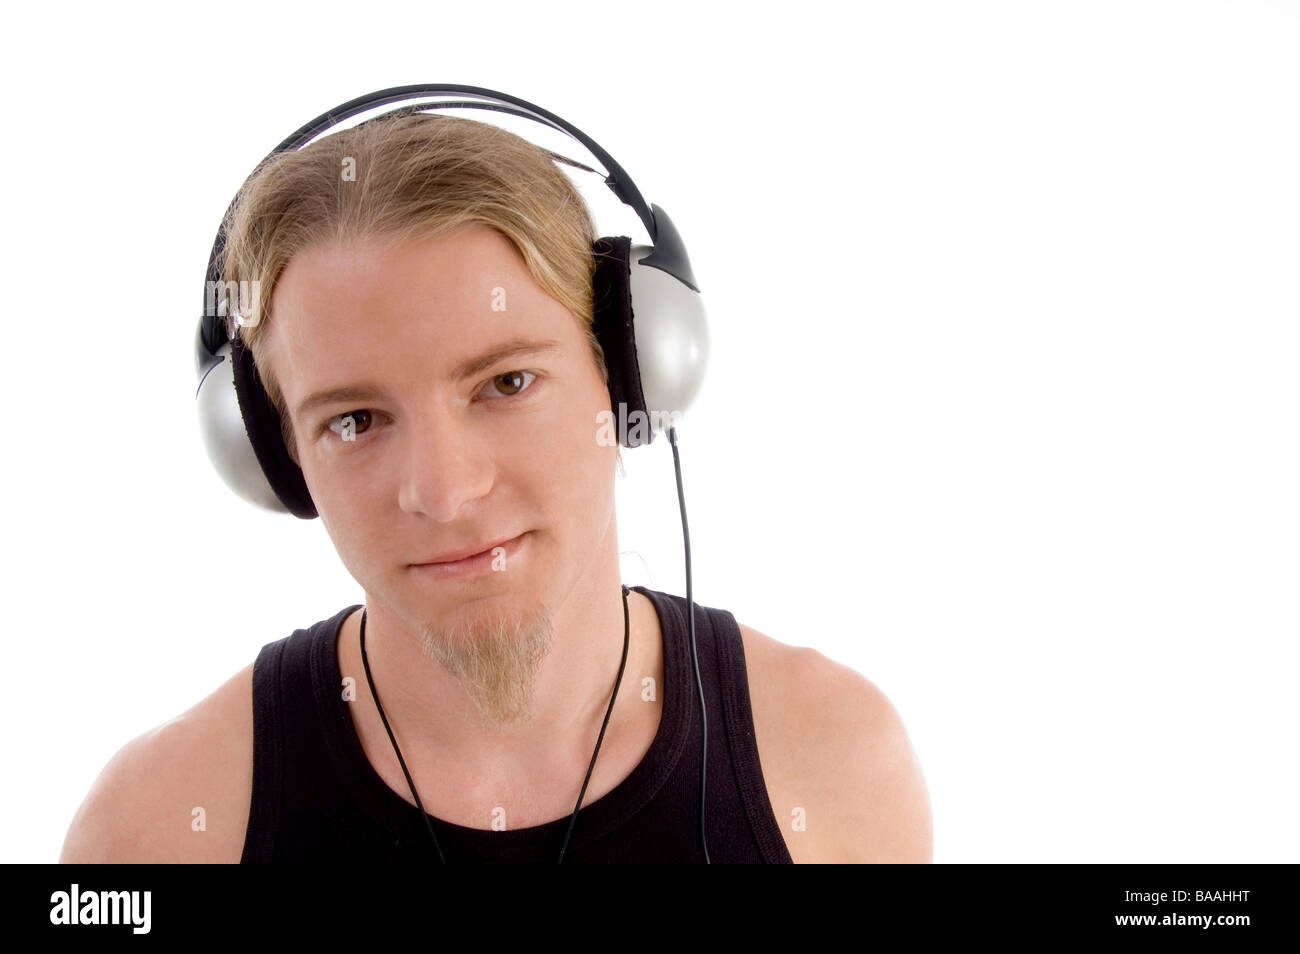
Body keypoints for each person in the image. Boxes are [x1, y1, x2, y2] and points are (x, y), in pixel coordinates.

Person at [60, 110, 932, 863]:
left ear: (631, 377)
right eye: (355, 421)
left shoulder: (833, 760)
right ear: (276, 458)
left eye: (505, 384)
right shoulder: (156, 832)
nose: (443, 492)